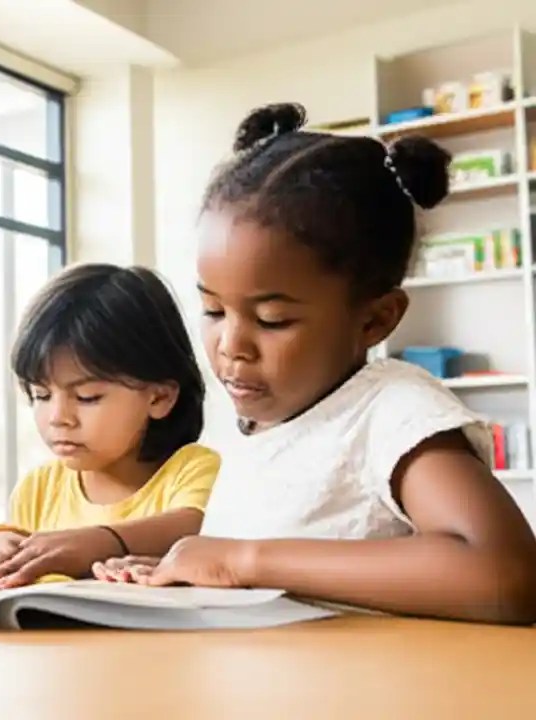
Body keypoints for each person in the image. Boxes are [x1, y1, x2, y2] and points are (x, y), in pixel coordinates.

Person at [97, 103, 536, 625]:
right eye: (213, 309)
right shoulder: (253, 422)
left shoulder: (391, 411)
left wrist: (243, 561)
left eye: (274, 319)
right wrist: (187, 563)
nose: (231, 344)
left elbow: (505, 573)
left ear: (375, 321)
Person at [0, 263, 220, 590]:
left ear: (159, 397)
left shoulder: (193, 469)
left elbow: (196, 528)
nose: (57, 416)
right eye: (40, 394)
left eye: (86, 396)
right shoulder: (38, 489)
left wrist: (97, 542)